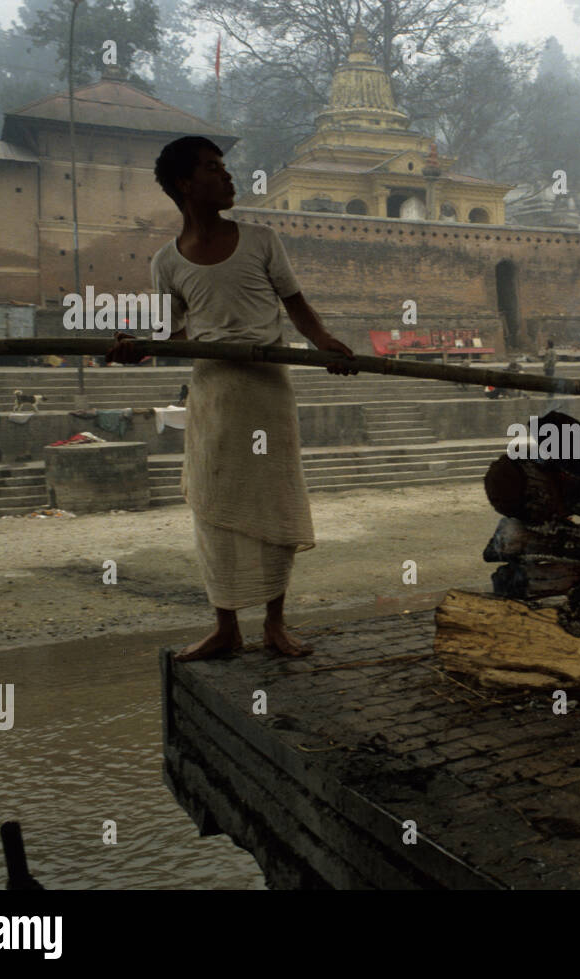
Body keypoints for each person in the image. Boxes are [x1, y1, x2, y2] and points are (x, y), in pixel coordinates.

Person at [107, 135, 357, 661]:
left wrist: (326, 344)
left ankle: (275, 624)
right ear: (185, 184)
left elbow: (296, 305)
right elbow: (173, 336)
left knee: (274, 503)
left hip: (267, 391)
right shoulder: (166, 263)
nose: (228, 177)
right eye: (213, 168)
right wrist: (139, 350)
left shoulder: (262, 240)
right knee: (215, 509)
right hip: (213, 396)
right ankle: (226, 627)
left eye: (224, 167)